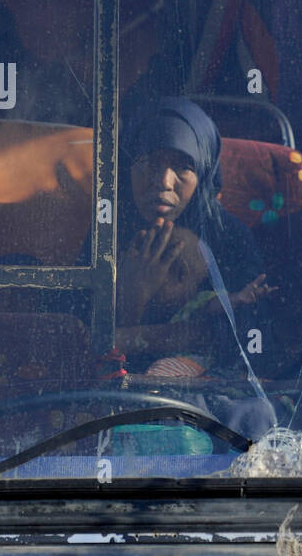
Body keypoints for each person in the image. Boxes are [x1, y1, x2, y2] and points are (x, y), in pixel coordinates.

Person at [115, 98, 275, 379]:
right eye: (150, 163)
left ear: (203, 173)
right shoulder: (106, 229)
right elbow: (75, 341)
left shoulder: (230, 238)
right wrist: (133, 298)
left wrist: (128, 335)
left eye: (183, 166)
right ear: (128, 164)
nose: (164, 181)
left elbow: (247, 340)